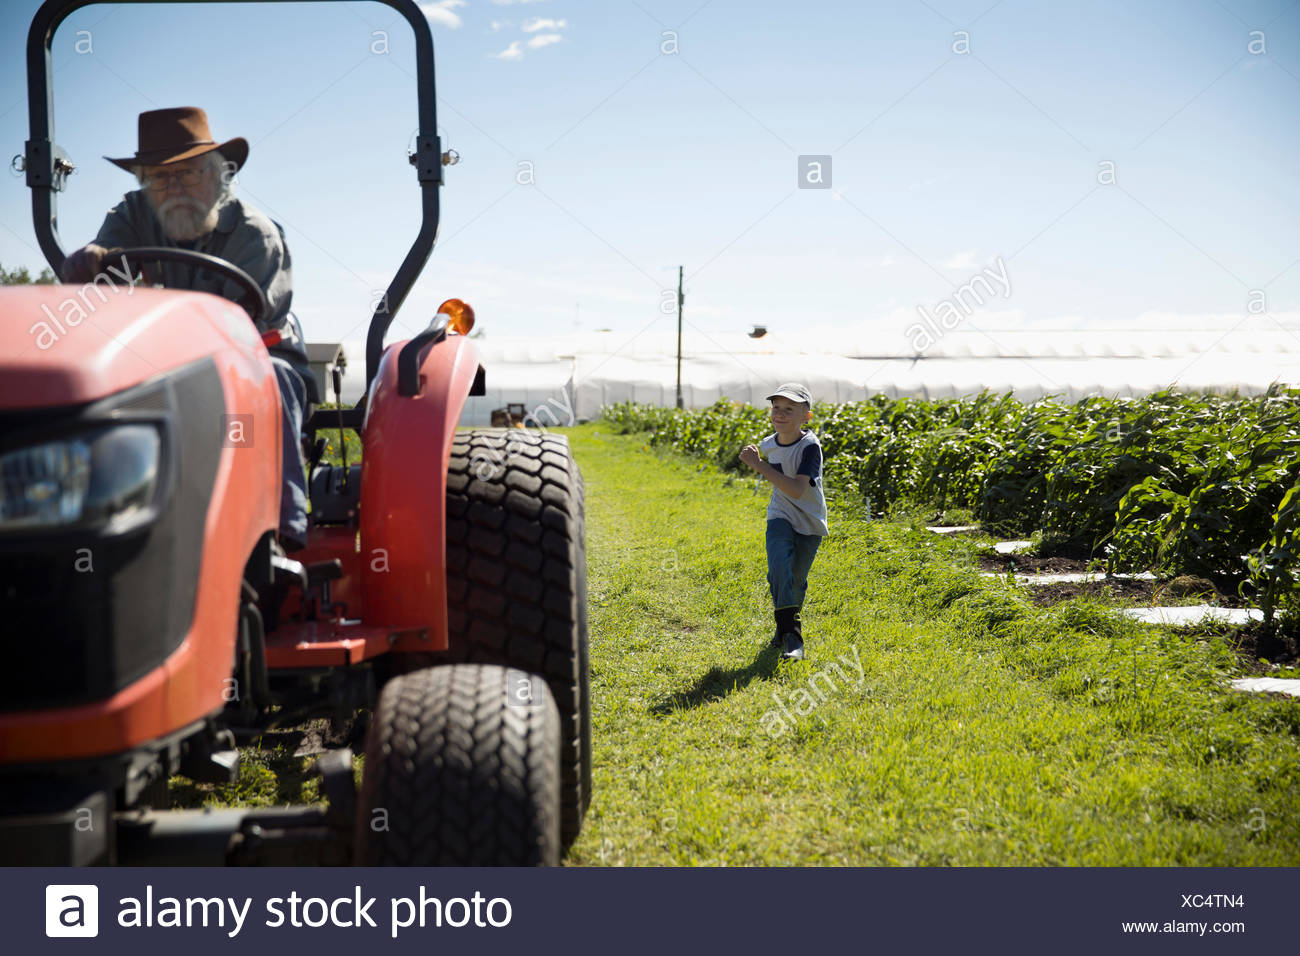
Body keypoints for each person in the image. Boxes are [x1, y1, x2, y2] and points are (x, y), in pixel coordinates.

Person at [61, 106, 310, 550]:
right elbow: (104, 278)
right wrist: (91, 260)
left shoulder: (256, 236)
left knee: (271, 379)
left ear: (219, 174)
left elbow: (244, 330)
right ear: (144, 183)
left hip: (255, 352)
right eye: (159, 177)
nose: (174, 187)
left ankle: (283, 531)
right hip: (170, 359)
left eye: (189, 173)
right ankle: (92, 523)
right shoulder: (136, 214)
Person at [739, 383, 829, 660]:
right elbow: (784, 493)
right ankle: (794, 637)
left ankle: (782, 629)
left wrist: (758, 465)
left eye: (789, 409)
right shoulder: (768, 445)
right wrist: (761, 462)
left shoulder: (810, 447)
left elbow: (797, 490)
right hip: (780, 514)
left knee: (796, 579)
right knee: (779, 563)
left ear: (806, 416)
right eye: (776, 407)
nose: (780, 414)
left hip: (810, 519)